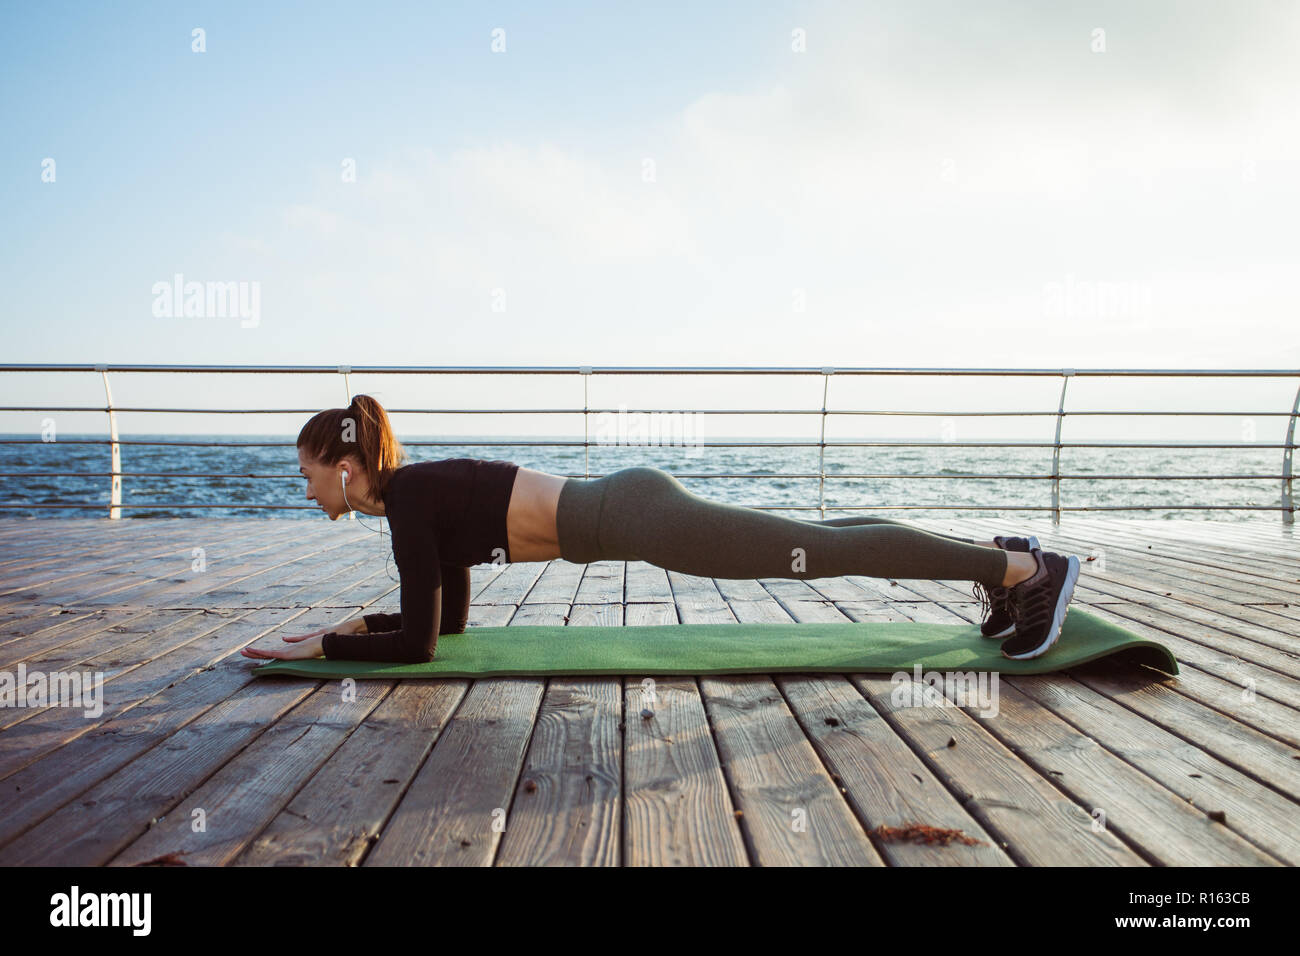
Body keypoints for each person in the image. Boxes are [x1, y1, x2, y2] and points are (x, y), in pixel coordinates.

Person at [240, 394, 1081, 665]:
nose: (308, 490)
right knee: (821, 534)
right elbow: (446, 624)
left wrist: (328, 647)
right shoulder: (415, 502)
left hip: (638, 517)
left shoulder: (412, 503)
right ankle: (1004, 561)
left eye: (309, 475)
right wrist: (367, 622)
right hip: (633, 507)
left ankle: (1021, 575)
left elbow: (419, 649)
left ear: (343, 468)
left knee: (818, 551)